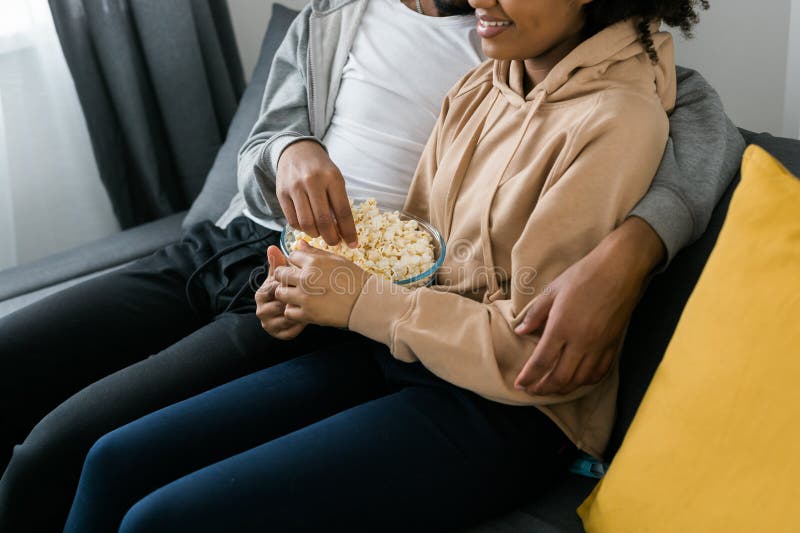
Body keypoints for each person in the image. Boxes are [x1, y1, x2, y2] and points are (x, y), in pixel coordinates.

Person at [0, 0, 742, 530]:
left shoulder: (617, 117)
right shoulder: (483, 79)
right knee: (112, 460)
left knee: (160, 515)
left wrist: (356, 301)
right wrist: (312, 292)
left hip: (504, 413)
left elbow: (529, 361)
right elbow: (419, 252)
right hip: (395, 346)